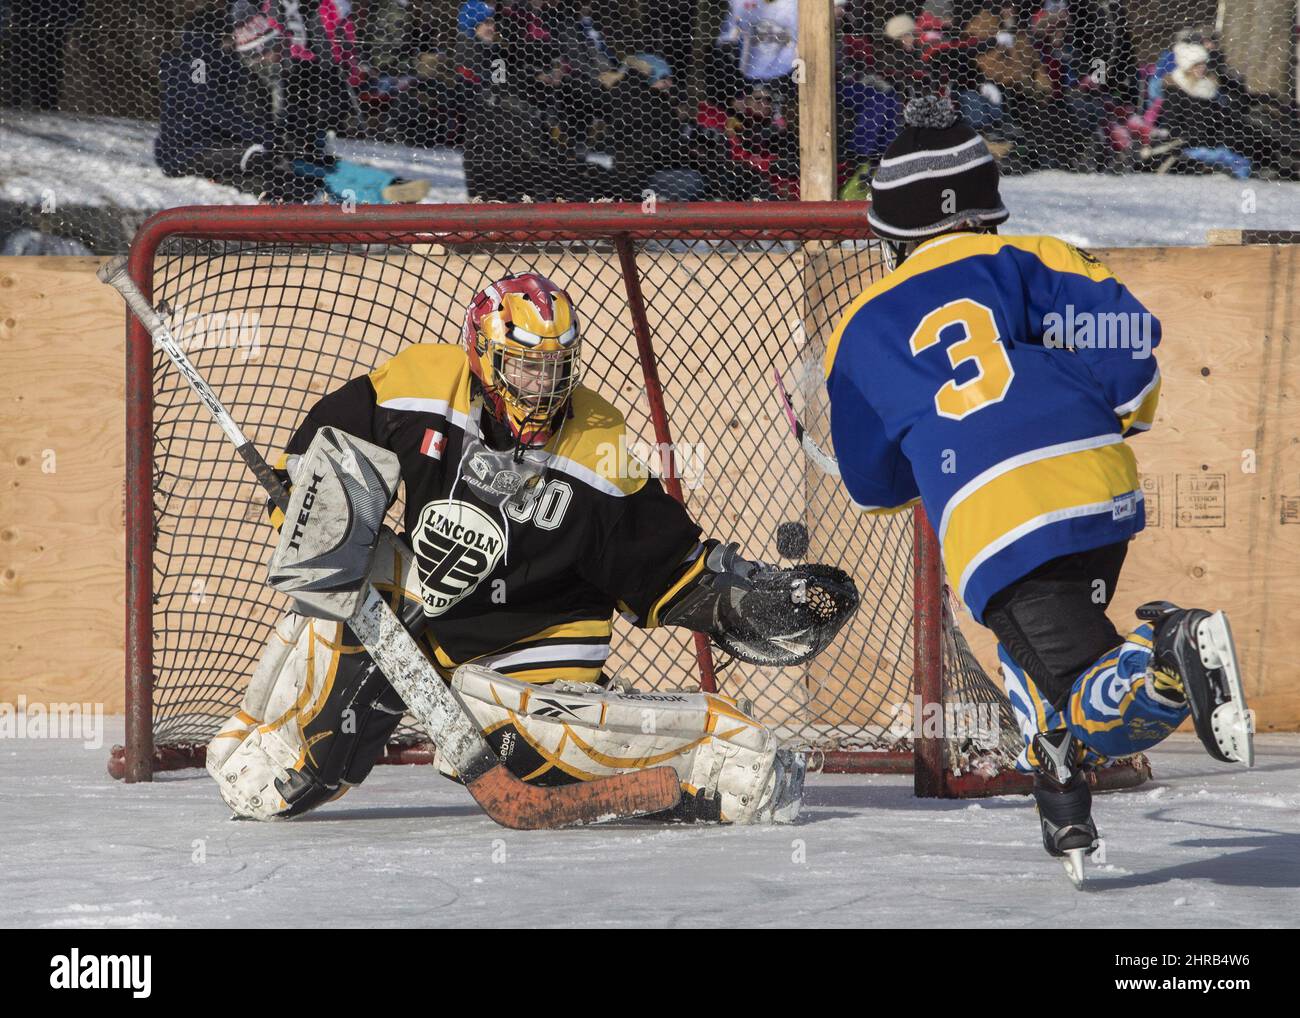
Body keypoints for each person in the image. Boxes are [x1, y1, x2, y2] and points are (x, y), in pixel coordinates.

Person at [205, 273, 857, 824]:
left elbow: (664, 565)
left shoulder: (596, 444)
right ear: (484, 358)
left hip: (535, 659)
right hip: (425, 621)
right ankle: (279, 757)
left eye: (554, 371)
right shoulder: (421, 387)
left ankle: (717, 767)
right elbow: (335, 442)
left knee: (519, 728)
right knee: (347, 575)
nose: (540, 388)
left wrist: (741, 597)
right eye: (524, 367)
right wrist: (313, 503)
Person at [824, 96, 1253, 882]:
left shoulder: (861, 325)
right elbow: (1132, 361)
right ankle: (1062, 795)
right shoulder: (1038, 255)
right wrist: (1096, 420)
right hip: (1100, 492)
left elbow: (871, 485)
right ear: (985, 207)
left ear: (891, 234)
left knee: (1101, 704)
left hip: (999, 518)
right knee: (1032, 650)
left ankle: (1167, 654)